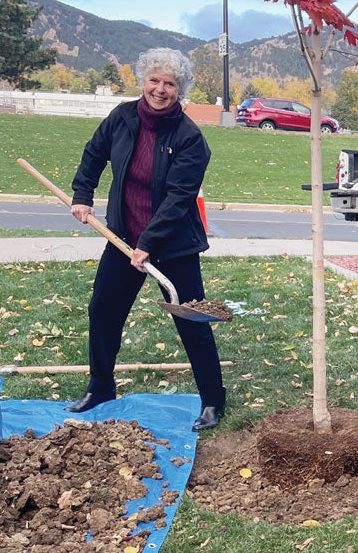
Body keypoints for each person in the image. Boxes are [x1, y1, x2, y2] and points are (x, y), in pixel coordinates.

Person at [68, 48, 226, 433]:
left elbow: (178, 199)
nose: (160, 89)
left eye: (170, 83)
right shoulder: (122, 117)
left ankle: (212, 399)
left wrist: (150, 242)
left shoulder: (190, 138)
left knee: (191, 319)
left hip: (172, 245)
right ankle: (101, 386)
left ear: (180, 89)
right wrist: (82, 194)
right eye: (154, 80)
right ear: (143, 81)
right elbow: (93, 154)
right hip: (123, 237)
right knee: (103, 311)